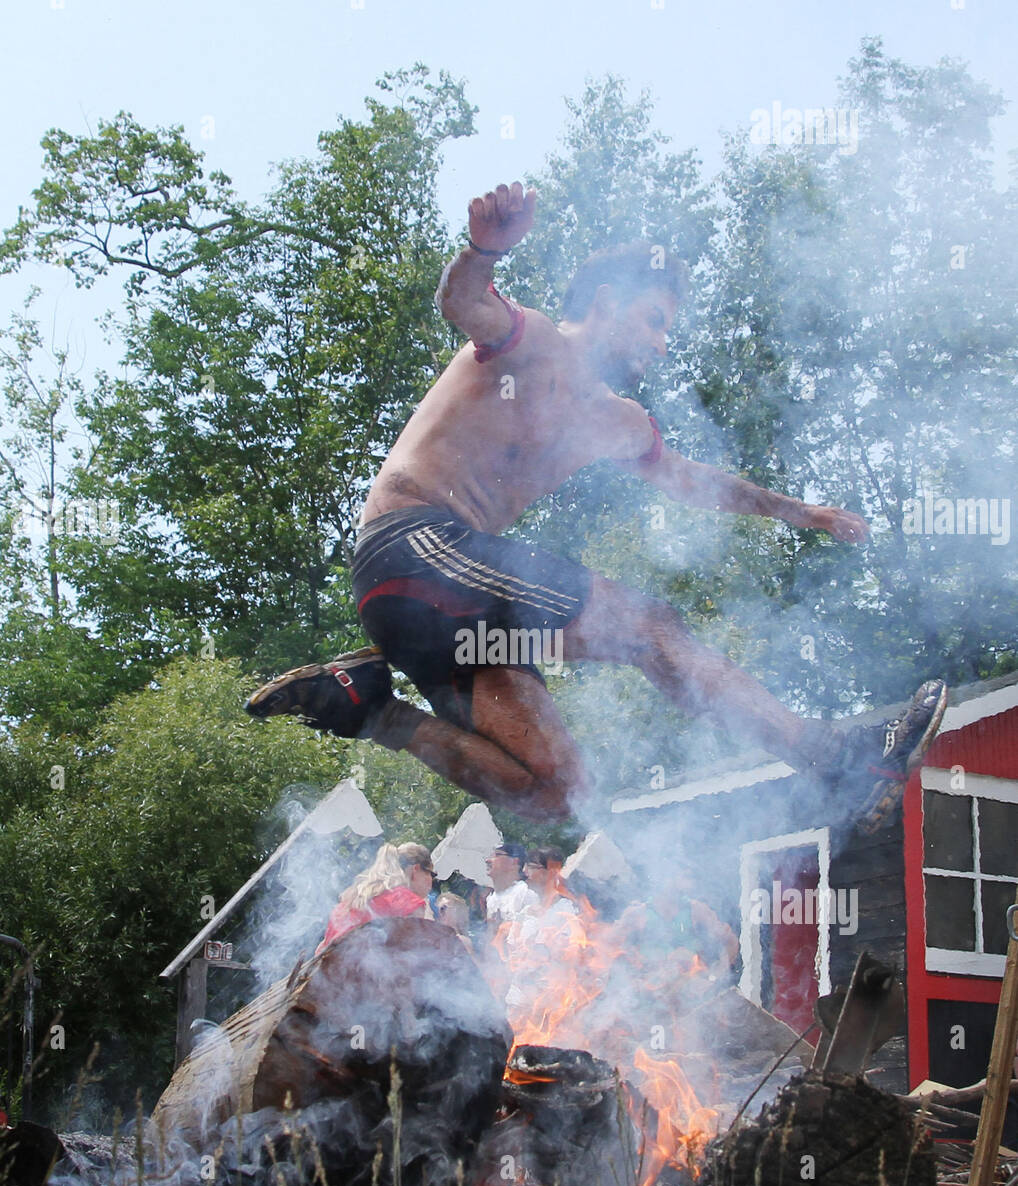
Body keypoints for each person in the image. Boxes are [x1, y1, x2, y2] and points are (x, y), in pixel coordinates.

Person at [247, 181, 945, 831]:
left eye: (668, 331)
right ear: (608, 301)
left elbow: (691, 480)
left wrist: (802, 513)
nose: (660, 344)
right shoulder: (533, 340)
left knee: (557, 792)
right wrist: (485, 249)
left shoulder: (617, 421)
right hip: (414, 547)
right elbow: (462, 302)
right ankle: (837, 759)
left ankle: (373, 711)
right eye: (653, 320)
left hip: (442, 614)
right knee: (650, 627)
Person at [317, 841, 434, 953]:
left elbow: (321, 949)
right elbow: (413, 955)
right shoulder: (410, 903)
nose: (431, 881)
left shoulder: (352, 898)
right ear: (415, 869)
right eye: (431, 873)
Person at [484, 843, 539, 928]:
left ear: (514, 862)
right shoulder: (491, 898)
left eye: (497, 855)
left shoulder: (525, 893)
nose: (488, 860)